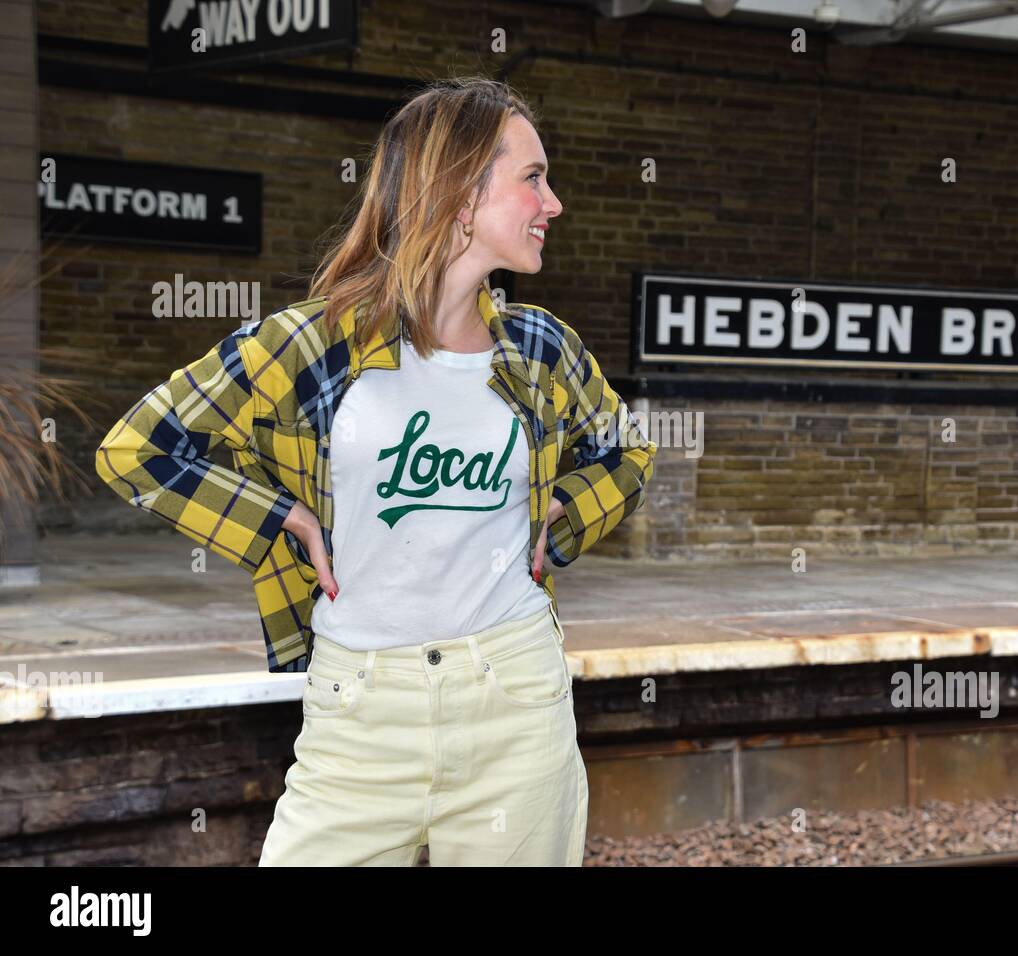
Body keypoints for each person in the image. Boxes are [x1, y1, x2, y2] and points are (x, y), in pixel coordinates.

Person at [94, 76, 657, 865]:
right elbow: (138, 449)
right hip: (357, 711)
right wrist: (279, 520)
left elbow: (626, 451)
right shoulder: (309, 345)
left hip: (516, 700)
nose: (553, 202)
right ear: (460, 195)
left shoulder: (541, 349)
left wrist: (562, 509)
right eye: (532, 178)